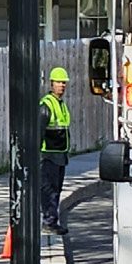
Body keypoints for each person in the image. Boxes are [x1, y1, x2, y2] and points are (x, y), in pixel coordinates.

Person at [40, 68, 72, 236]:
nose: (62, 85)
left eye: (64, 82)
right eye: (59, 82)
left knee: (56, 189)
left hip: (60, 154)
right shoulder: (47, 105)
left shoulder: (61, 104)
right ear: (51, 83)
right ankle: (49, 222)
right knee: (49, 190)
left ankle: (52, 220)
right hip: (49, 155)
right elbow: (39, 131)